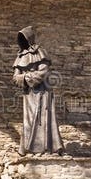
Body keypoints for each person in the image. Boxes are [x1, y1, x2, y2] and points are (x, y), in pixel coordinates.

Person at [13, 25, 64, 156]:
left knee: (42, 118)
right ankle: (29, 148)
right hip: (28, 94)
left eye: (24, 38)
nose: (22, 41)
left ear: (29, 38)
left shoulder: (40, 52)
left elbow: (44, 72)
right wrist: (24, 78)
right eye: (21, 39)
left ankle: (45, 147)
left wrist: (26, 77)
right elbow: (15, 77)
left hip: (42, 91)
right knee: (29, 120)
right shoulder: (20, 56)